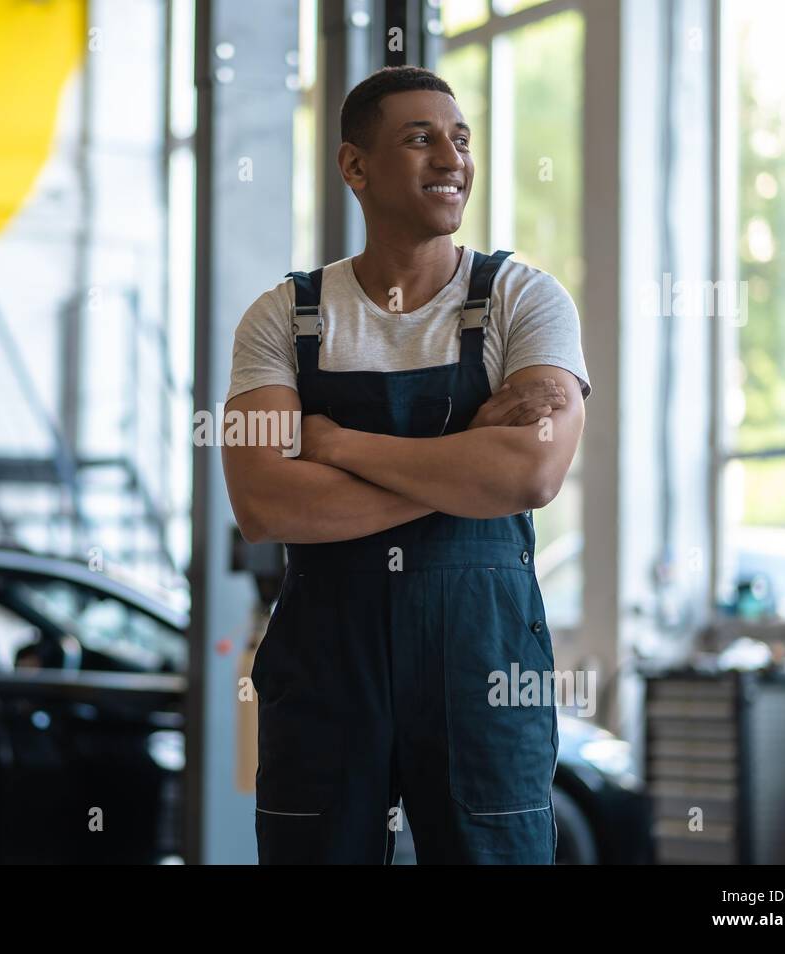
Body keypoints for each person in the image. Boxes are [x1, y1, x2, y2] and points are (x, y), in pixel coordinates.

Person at [221, 65, 591, 864]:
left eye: (460, 139)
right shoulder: (284, 315)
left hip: (483, 670)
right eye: (420, 139)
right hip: (327, 672)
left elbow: (530, 475)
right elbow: (265, 503)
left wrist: (339, 447)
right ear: (355, 167)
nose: (451, 159)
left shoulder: (523, 300)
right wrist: (465, 466)